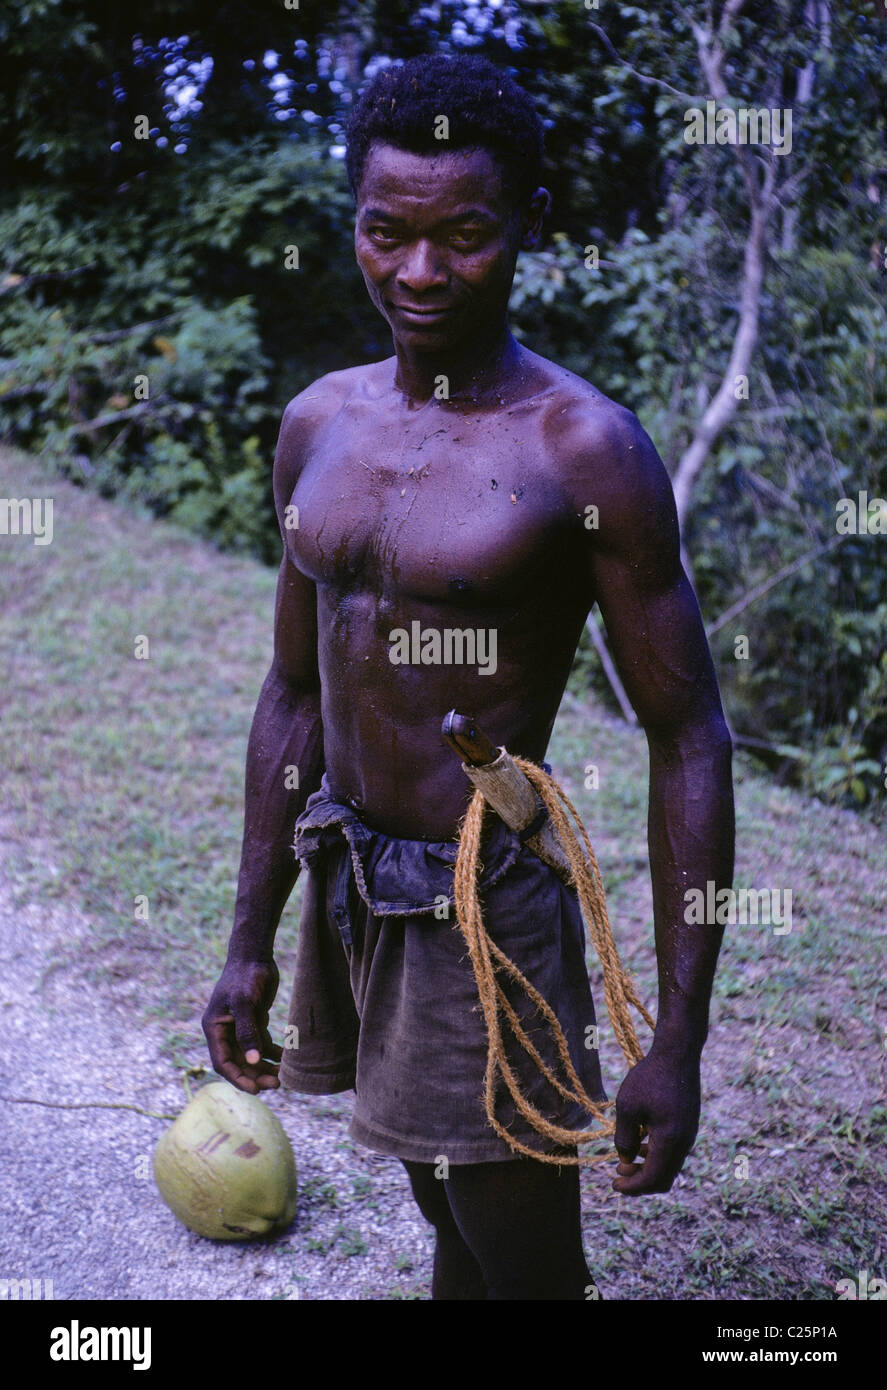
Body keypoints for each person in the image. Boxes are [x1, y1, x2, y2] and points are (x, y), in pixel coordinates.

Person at [202, 52, 735, 1300]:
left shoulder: (582, 450)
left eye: (466, 236)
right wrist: (247, 938)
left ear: (527, 227)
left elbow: (689, 735)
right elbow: (292, 692)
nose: (420, 273)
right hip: (348, 873)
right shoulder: (317, 423)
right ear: (354, 222)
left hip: (479, 905)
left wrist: (678, 1038)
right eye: (386, 233)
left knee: (524, 1258)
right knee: (444, 1214)